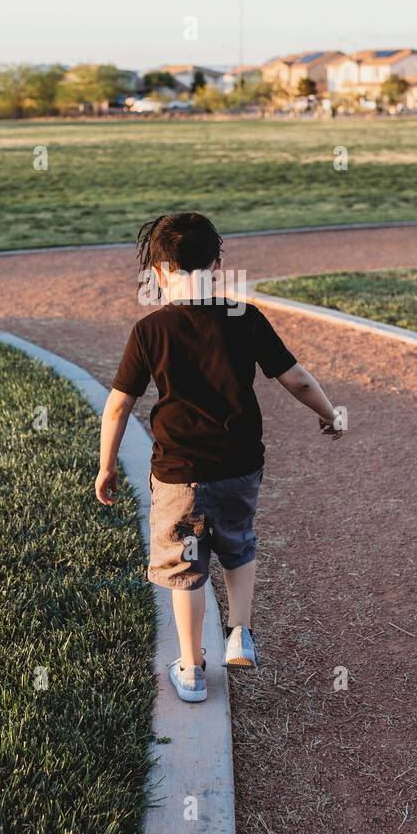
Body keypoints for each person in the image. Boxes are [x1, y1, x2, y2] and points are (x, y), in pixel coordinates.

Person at [95, 212, 343, 703]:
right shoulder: (244, 317)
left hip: (179, 474)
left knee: (186, 564)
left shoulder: (150, 330)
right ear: (218, 263)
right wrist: (329, 413)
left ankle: (190, 669)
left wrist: (106, 466)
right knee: (237, 543)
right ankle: (240, 632)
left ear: (159, 273)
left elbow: (118, 406)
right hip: (240, 465)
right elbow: (295, 378)